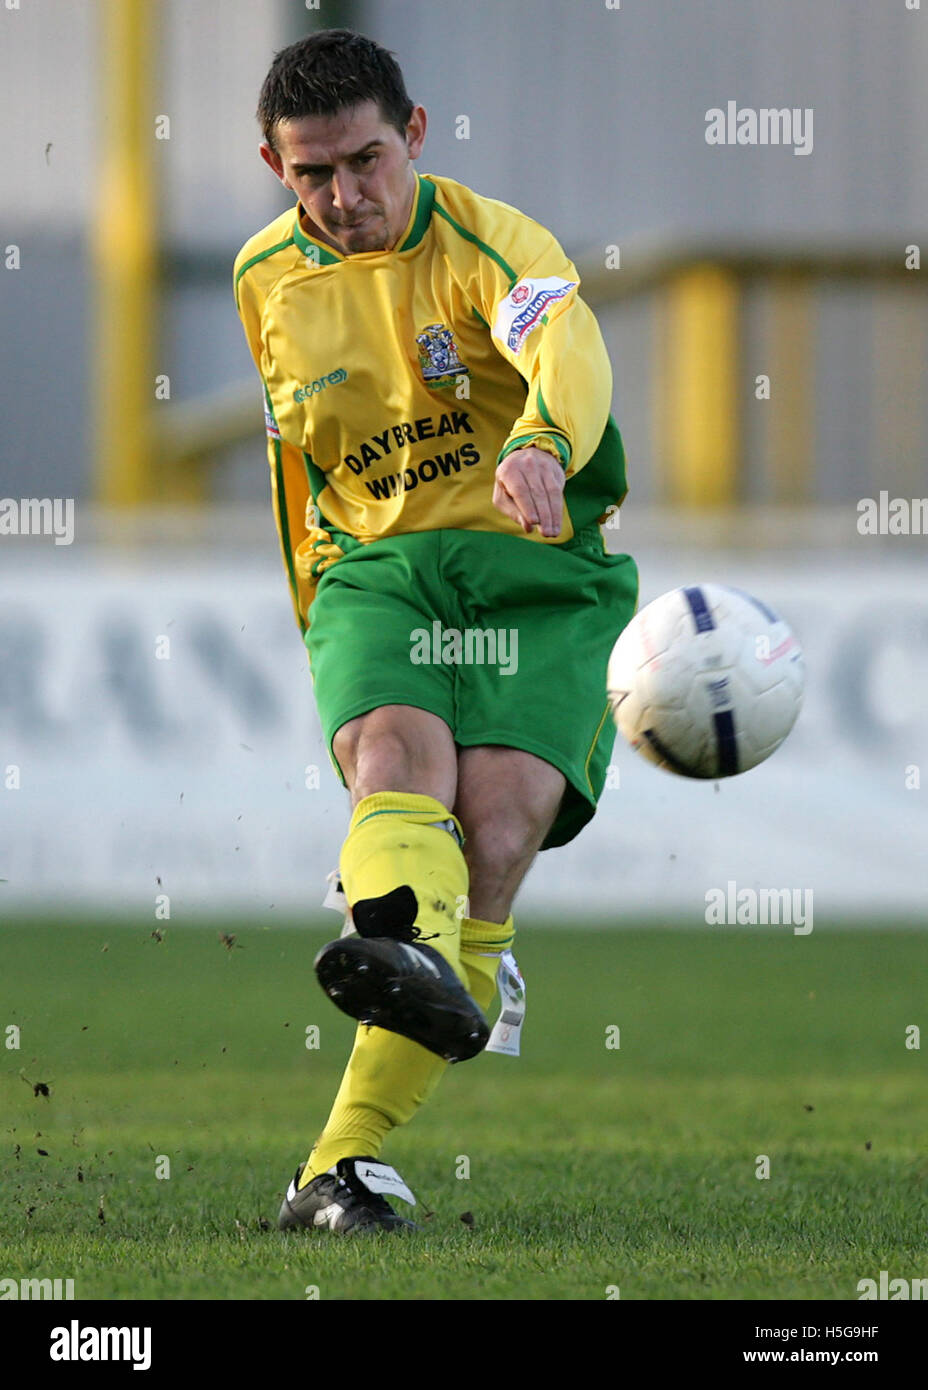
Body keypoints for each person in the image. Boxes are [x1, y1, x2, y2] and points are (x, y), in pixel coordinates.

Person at [233, 28, 638, 1233]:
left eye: (364, 161)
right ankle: (404, 943)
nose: (344, 198)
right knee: (395, 765)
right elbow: (293, 465)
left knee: (499, 824)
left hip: (537, 568)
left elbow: (564, 345)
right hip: (379, 569)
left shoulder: (491, 245)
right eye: (311, 174)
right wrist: (322, 624)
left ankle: (412, 993)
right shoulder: (264, 277)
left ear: (413, 134)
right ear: (273, 164)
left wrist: (537, 443)